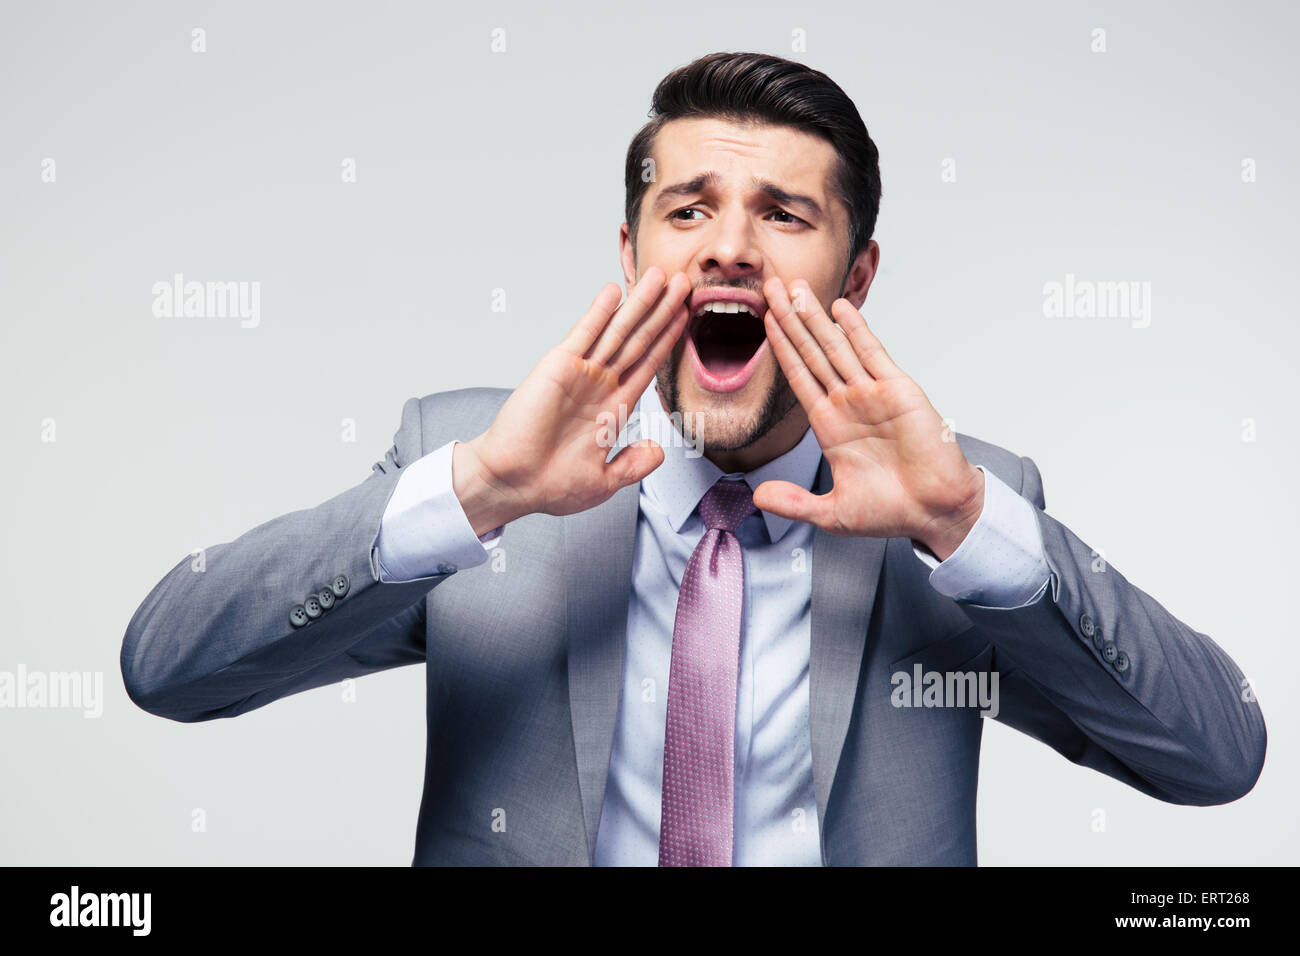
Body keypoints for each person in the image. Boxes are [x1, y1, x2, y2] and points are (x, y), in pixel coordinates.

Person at [120, 51, 1266, 866]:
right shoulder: (474, 463)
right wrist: (478, 491)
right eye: (688, 210)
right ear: (630, 253)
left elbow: (1212, 758)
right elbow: (172, 668)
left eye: (781, 214)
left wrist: (969, 526)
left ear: (854, 279)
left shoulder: (959, 505)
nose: (727, 245)